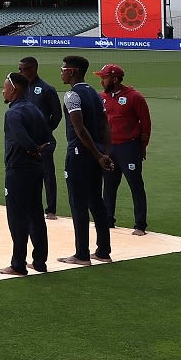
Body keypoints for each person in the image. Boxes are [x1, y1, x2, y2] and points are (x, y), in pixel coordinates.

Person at [57, 56, 115, 265]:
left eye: (63, 69)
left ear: (72, 71)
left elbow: (79, 128)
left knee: (78, 203)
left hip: (80, 154)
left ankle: (82, 254)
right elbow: (105, 125)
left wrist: (99, 155)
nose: (61, 72)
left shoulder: (72, 95)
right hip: (96, 153)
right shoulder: (95, 94)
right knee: (96, 202)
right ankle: (103, 251)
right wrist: (104, 152)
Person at [0, 72, 51, 276]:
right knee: (36, 214)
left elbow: (21, 138)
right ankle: (40, 261)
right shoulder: (35, 110)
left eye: (5, 86)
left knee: (17, 217)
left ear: (14, 89)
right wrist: (40, 152)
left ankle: (18, 263)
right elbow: (49, 138)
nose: (3, 90)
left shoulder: (12, 114)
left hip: (18, 170)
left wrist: (33, 149)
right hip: (36, 169)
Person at [97, 63, 151, 236]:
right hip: (109, 148)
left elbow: (146, 124)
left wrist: (142, 147)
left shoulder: (134, 97)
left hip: (129, 148)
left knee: (135, 185)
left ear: (115, 78)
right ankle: (107, 220)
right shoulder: (102, 97)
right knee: (109, 186)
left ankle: (140, 225)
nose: (101, 81)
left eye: (104, 78)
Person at [19, 56, 63, 220]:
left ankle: (51, 209)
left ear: (33, 69)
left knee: (47, 174)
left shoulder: (46, 89)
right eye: (19, 69)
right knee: (25, 173)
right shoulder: (21, 89)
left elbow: (57, 115)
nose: (20, 72)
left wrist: (45, 131)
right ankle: (28, 204)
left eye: (23, 69)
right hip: (24, 139)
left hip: (43, 141)